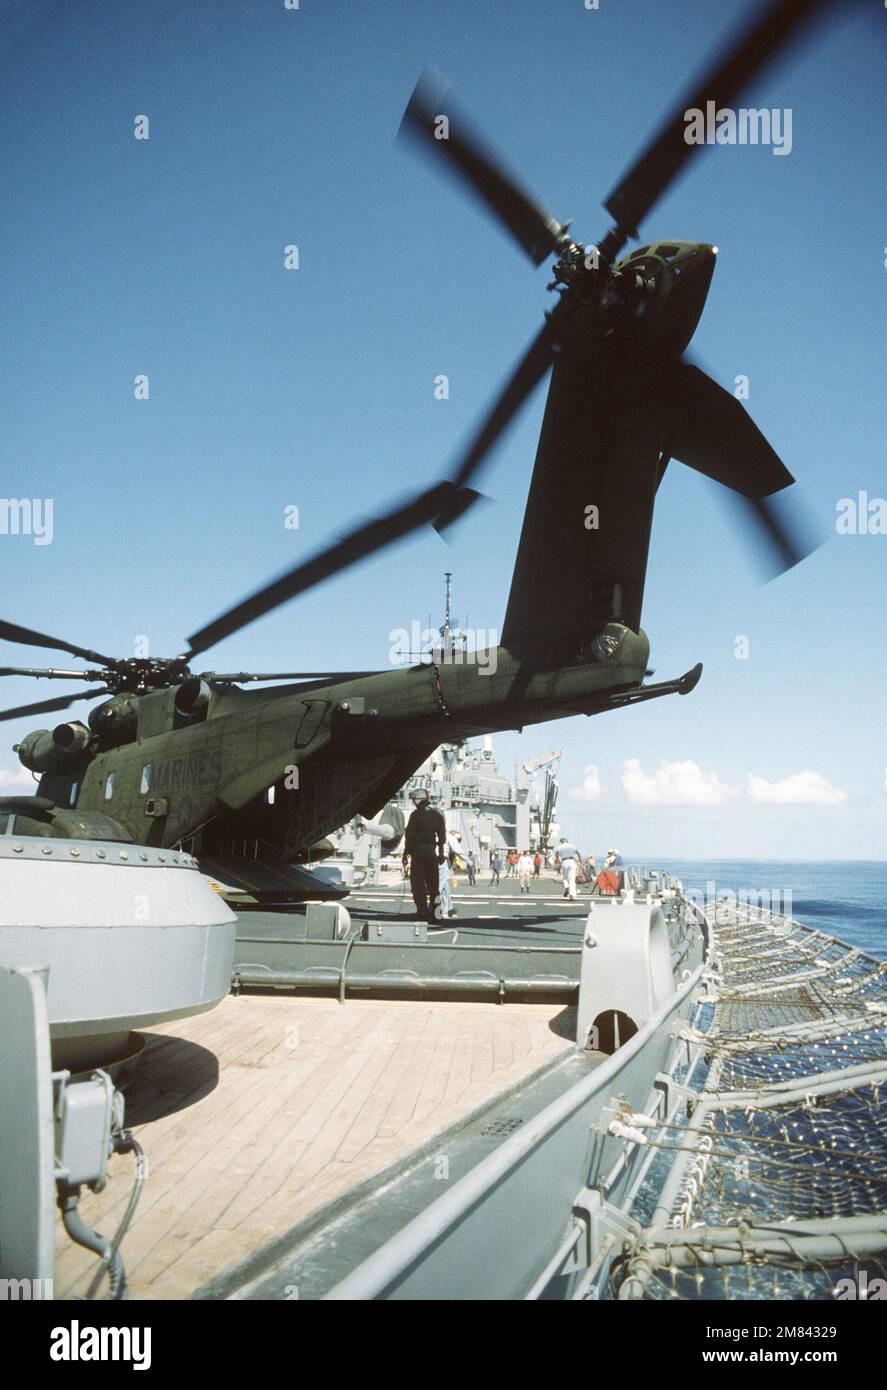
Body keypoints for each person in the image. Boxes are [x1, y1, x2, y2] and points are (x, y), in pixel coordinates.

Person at [402, 788, 447, 923]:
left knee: (418, 886)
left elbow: (409, 837)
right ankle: (437, 915)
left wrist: (405, 854)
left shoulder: (415, 815)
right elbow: (442, 838)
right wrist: (441, 854)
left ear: (417, 800)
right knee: (434, 887)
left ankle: (422, 914)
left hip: (418, 854)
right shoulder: (437, 815)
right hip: (432, 854)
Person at [555, 836, 581, 900]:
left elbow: (557, 855)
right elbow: (578, 853)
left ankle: (567, 887)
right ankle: (572, 894)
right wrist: (580, 861)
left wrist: (557, 862)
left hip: (564, 862)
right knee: (572, 879)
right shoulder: (572, 846)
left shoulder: (559, 847)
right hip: (572, 862)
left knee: (565, 878)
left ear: (561, 842)